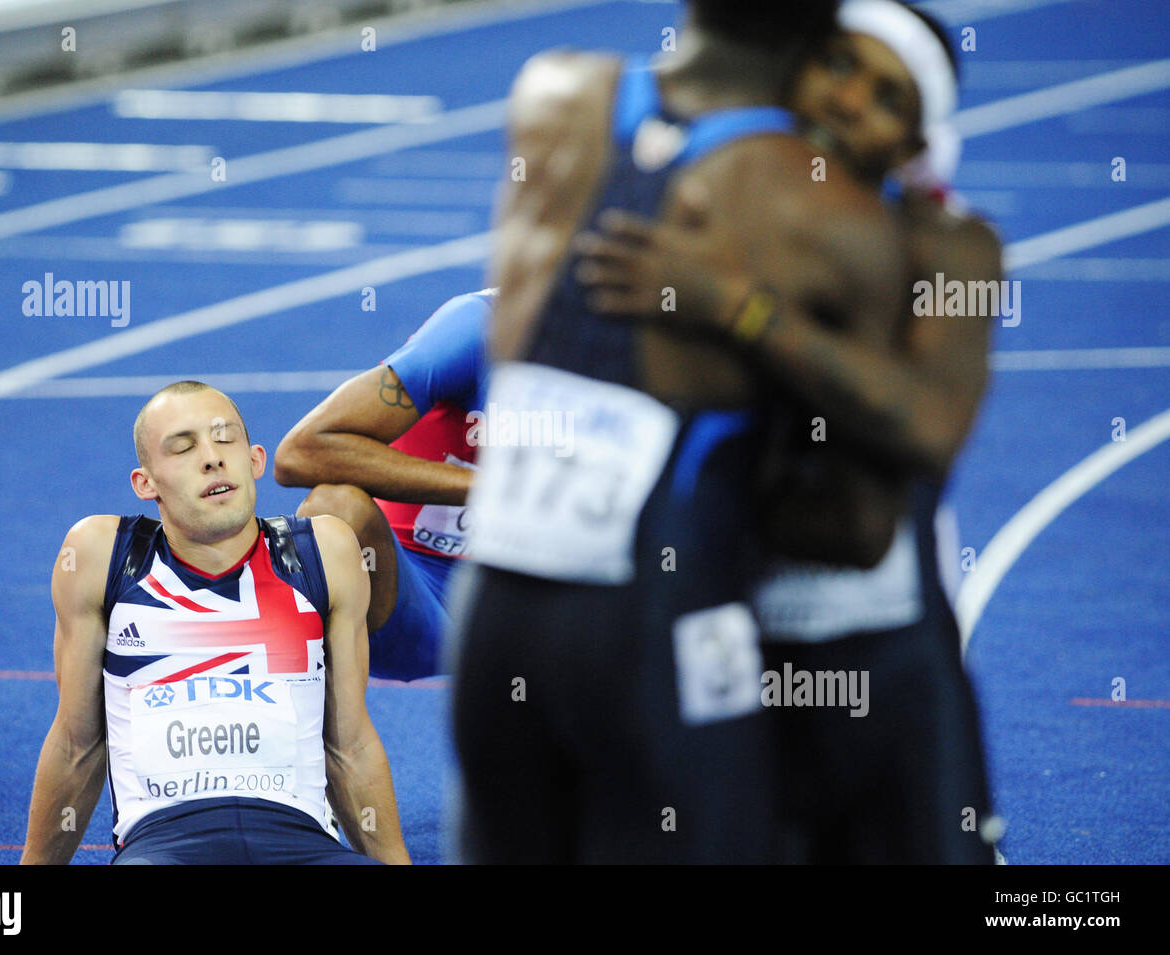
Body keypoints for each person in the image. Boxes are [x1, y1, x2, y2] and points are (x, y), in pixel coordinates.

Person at [451, 0, 921, 863]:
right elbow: (866, 514)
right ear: (820, 50)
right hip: (662, 627)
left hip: (491, 622)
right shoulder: (833, 213)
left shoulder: (551, 95)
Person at [572, 0, 1001, 862]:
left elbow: (925, 426)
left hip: (888, 672)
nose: (847, 101)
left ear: (916, 147)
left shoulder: (948, 247)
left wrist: (736, 308)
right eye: (838, 65)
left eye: (886, 97)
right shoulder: (710, 211)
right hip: (725, 655)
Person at [21, 380, 411, 864]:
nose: (211, 457)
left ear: (255, 461)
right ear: (146, 484)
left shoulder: (322, 554)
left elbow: (349, 745)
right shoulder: (102, 558)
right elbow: (77, 745)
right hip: (164, 847)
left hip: (301, 844)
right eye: (183, 448)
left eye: (225, 439)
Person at [274, 290, 491, 682]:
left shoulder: (631, 358)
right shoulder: (476, 329)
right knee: (335, 510)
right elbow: (300, 452)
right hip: (415, 603)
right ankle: (315, 726)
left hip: (536, 608)